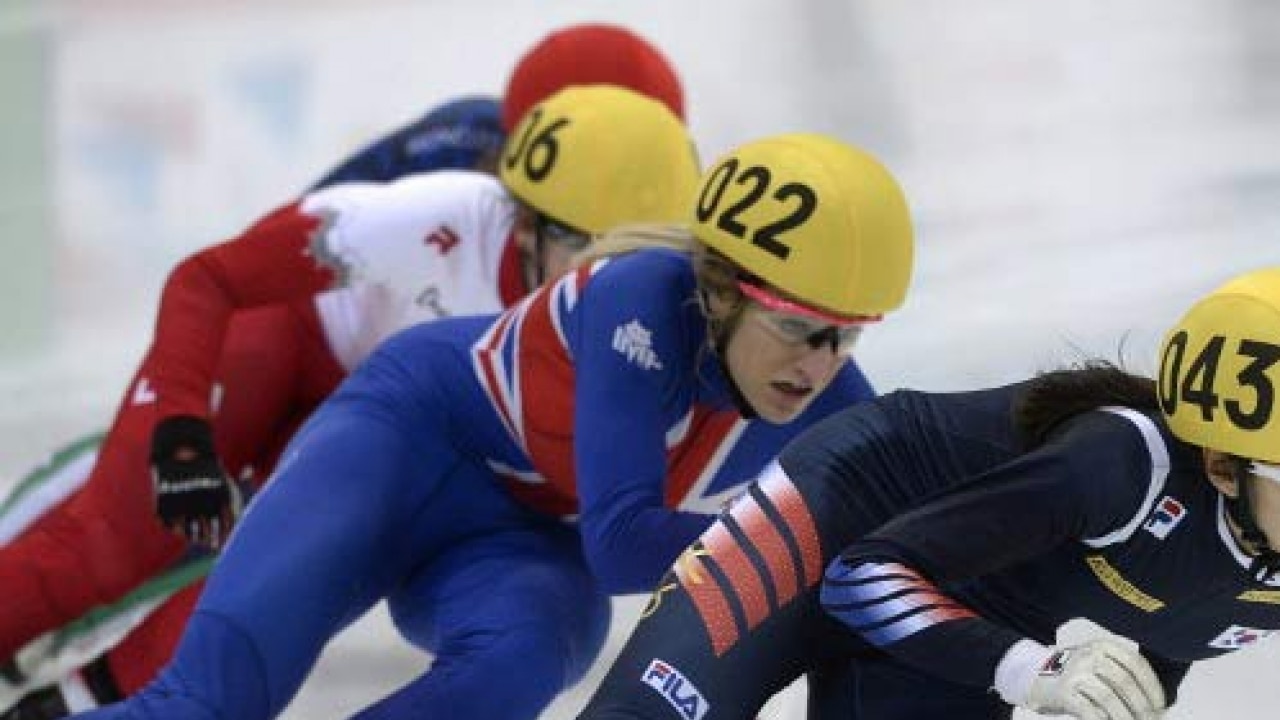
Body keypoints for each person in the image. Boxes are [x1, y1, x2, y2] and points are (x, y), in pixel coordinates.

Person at [67, 131, 916, 720]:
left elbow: (930, 515)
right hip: (402, 446)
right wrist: (804, 544)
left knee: (534, 650)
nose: (820, 363)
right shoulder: (643, 298)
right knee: (205, 705)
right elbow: (622, 544)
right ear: (726, 291)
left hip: (519, 538)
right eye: (801, 328)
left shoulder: (836, 392)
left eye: (848, 334)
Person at [0, 24, 692, 715]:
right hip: (303, 342)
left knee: (238, 595)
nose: (602, 277)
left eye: (630, 254)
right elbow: (243, 267)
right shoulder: (451, 185)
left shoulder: (654, 301)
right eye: (572, 237)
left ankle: (77, 699)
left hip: (400, 422)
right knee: (118, 535)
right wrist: (177, 419)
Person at [577, 266, 1280, 720]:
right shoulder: (1119, 465)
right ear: (1222, 466)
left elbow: (1189, 599)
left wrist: (1143, 685)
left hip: (954, 635)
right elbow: (859, 576)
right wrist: (1039, 668)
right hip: (837, 522)